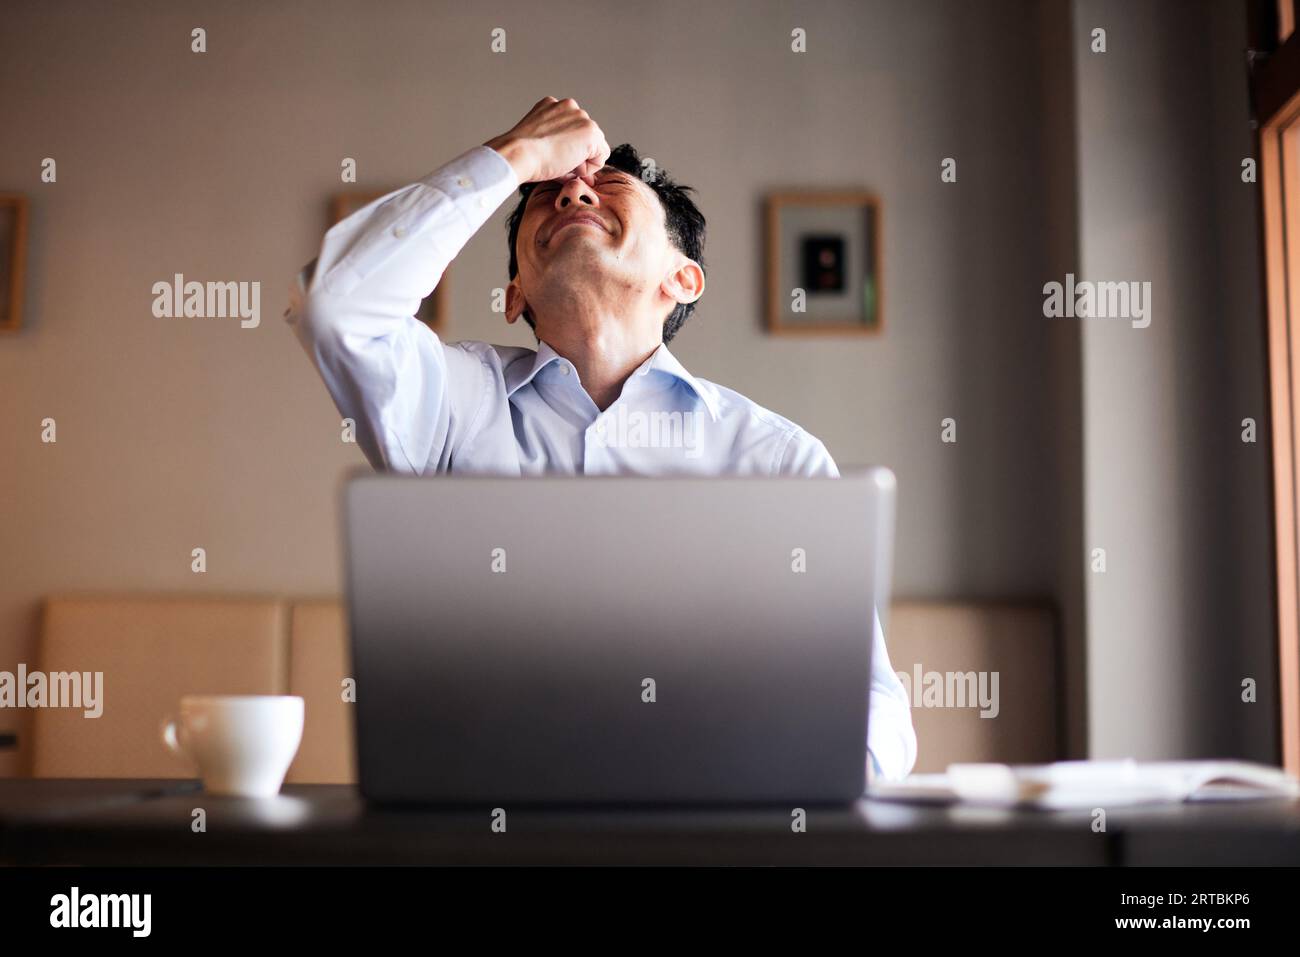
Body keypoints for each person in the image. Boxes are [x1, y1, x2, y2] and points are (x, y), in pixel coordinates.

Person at [285, 96, 917, 781]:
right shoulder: (451, 403)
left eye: (609, 187)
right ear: (515, 294)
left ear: (684, 278)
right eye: (545, 196)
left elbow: (872, 707)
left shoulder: (777, 460)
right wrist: (518, 153)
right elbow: (334, 307)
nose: (575, 189)